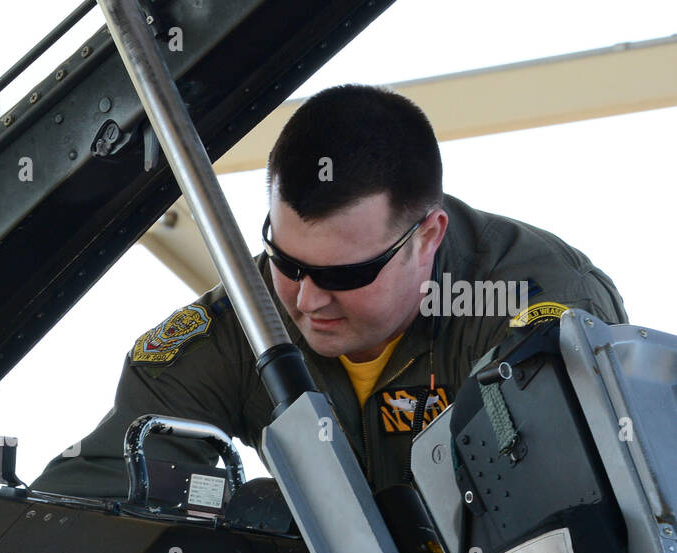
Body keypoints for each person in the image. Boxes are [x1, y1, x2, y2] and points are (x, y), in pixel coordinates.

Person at [32, 84, 628, 498]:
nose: (308, 301)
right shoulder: (241, 325)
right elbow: (90, 505)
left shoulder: (526, 307)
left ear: (428, 237)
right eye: (286, 261)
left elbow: (571, 516)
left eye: (346, 275)